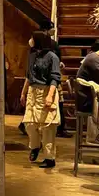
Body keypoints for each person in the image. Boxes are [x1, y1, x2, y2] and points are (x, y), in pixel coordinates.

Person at [21, 31, 62, 168]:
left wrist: (50, 96)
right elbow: (28, 76)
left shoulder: (52, 57)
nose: (30, 40)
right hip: (32, 92)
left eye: (32, 38)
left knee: (47, 127)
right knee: (29, 123)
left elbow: (55, 78)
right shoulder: (32, 55)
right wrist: (23, 93)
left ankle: (49, 158)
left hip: (46, 91)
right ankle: (35, 146)